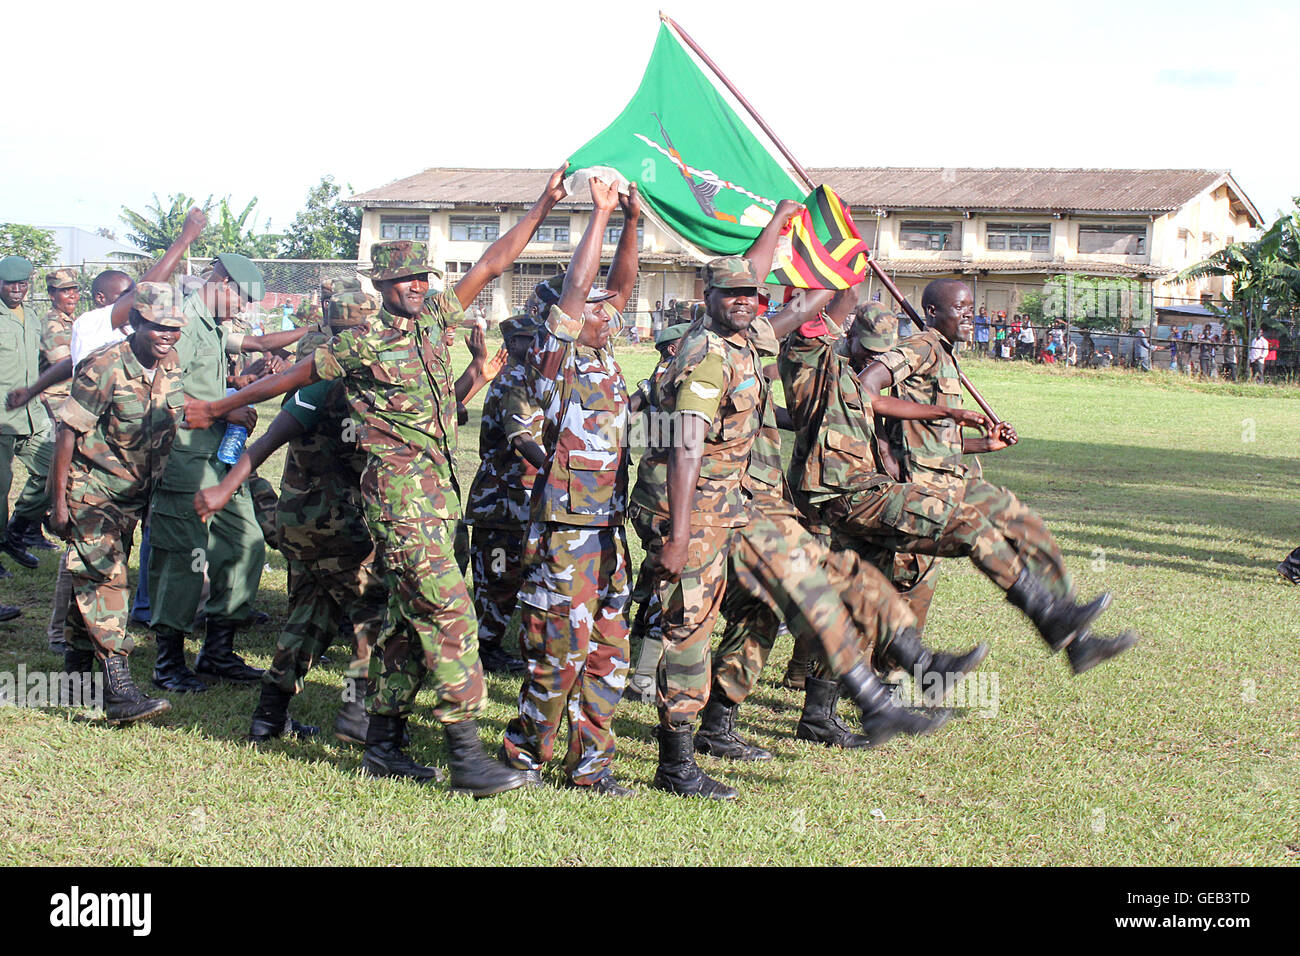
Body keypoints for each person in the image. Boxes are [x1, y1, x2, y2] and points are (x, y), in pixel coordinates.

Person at [182, 166, 573, 796]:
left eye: (423, 277)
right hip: (397, 503)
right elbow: (290, 380)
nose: (418, 287)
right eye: (404, 281)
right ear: (383, 287)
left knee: (401, 620)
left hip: (436, 499)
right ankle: (466, 754)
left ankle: (384, 742)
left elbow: (495, 262)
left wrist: (544, 203)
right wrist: (217, 409)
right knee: (450, 613)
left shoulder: (436, 318)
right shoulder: (362, 343)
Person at [629, 205, 947, 800]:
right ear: (707, 295)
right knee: (689, 631)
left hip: (740, 505)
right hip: (696, 511)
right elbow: (686, 446)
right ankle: (675, 762)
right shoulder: (707, 355)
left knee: (813, 574)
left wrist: (833, 254)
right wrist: (675, 535)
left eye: (753, 293)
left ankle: (885, 687)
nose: (746, 301)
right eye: (733, 295)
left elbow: (802, 304)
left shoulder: (746, 338)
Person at [860, 279, 1138, 675]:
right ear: (934, 312)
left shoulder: (945, 354)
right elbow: (868, 389)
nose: (970, 316)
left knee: (1023, 522)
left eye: (972, 308)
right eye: (961, 309)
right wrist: (950, 414)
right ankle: (869, 685)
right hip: (924, 489)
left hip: (950, 475)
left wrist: (981, 446)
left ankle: (1068, 626)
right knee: (907, 590)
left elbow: (929, 441)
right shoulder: (920, 346)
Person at [194, 289, 393, 744]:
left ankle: (269, 716)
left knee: (309, 615)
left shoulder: (329, 377)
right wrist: (228, 485)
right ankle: (356, 711)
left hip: (305, 522)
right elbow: (275, 435)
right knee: (375, 612)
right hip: (338, 525)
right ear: (361, 331)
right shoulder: (338, 382)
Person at [499, 179, 640, 795]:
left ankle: (591, 768)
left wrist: (633, 220)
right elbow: (583, 288)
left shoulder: (604, 357)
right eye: (593, 310)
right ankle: (524, 758)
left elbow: (619, 285)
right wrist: (600, 211)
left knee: (609, 654)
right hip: (565, 532)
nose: (609, 315)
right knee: (557, 655)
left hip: (607, 528)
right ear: (567, 317)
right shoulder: (550, 359)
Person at [146, 251, 310, 696]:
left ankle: (218, 650)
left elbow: (209, 381)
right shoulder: (178, 321)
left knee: (247, 543)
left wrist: (235, 394)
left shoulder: (213, 324)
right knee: (182, 557)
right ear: (219, 281)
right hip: (183, 457)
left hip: (219, 455)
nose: (242, 309)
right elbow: (155, 393)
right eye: (240, 299)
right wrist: (226, 411)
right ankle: (168, 660)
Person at [47, 282, 189, 724]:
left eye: (173, 328)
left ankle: (74, 679)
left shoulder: (170, 364)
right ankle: (118, 690)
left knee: (88, 580)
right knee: (109, 581)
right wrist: (58, 504)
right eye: (156, 328)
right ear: (136, 323)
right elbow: (67, 433)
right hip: (93, 490)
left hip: (135, 494)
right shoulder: (105, 366)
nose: (166, 336)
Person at [462, 315, 541, 677]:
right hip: (502, 502)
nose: (535, 346)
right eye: (527, 341)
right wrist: (555, 469)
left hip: (517, 498)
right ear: (511, 345)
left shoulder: (530, 378)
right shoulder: (513, 381)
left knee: (512, 575)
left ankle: (492, 641)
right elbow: (521, 437)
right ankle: (484, 648)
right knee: (497, 578)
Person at [622, 321, 691, 705]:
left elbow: (625, 416)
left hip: (650, 495)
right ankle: (644, 677)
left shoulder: (655, 382)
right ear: (670, 350)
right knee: (667, 589)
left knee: (652, 574)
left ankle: (637, 642)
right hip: (663, 498)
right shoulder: (675, 381)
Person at [0, 255, 56, 579]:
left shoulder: (32, 317)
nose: (17, 290)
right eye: (10, 284)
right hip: (2, 417)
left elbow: (40, 361)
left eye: (22, 284)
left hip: (32, 414)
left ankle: (16, 530)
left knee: (53, 471)